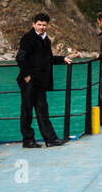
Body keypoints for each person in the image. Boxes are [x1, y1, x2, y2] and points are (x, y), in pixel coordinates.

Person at [16, 13, 72, 147]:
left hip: (40, 82)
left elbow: (48, 58)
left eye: (44, 25)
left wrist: (62, 58)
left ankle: (50, 139)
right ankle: (28, 140)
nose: (41, 27)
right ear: (33, 24)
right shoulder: (28, 38)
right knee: (27, 111)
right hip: (29, 81)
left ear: (47, 25)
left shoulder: (46, 40)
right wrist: (27, 76)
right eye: (39, 24)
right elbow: (20, 58)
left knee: (42, 110)